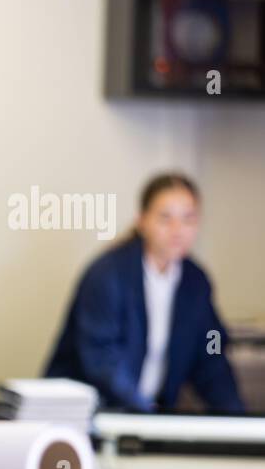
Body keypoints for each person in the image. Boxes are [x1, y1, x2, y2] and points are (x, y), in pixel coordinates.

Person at [44, 173, 244, 413]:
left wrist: (237, 417)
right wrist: (145, 410)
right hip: (92, 412)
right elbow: (102, 360)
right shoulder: (108, 274)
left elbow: (211, 352)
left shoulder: (196, 282)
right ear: (142, 221)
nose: (177, 230)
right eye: (165, 218)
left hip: (147, 415)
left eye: (188, 219)